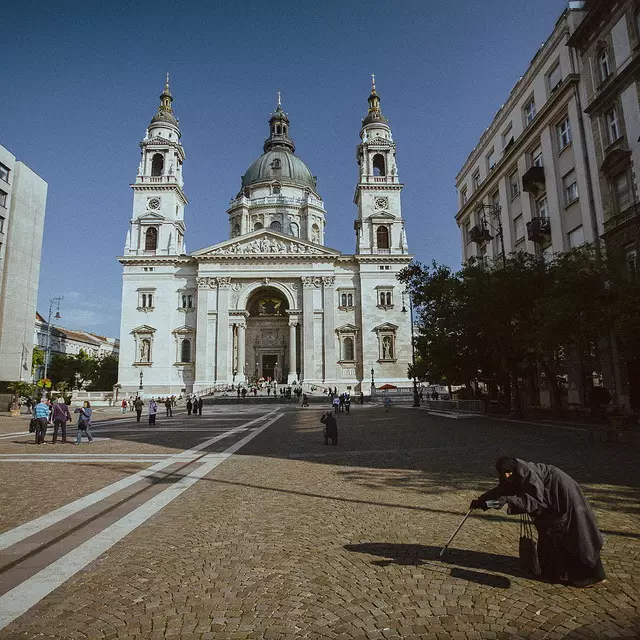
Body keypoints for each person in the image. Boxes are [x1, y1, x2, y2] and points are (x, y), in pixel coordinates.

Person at [470, 457, 607, 588]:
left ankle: (589, 575)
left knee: (573, 532)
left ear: (514, 469)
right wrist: (482, 501)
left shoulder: (528, 473)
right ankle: (556, 571)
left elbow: (535, 502)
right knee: (550, 531)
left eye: (509, 472)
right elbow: (502, 489)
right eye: (503, 473)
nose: (506, 476)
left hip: (562, 495)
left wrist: (509, 500)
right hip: (549, 497)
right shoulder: (513, 474)